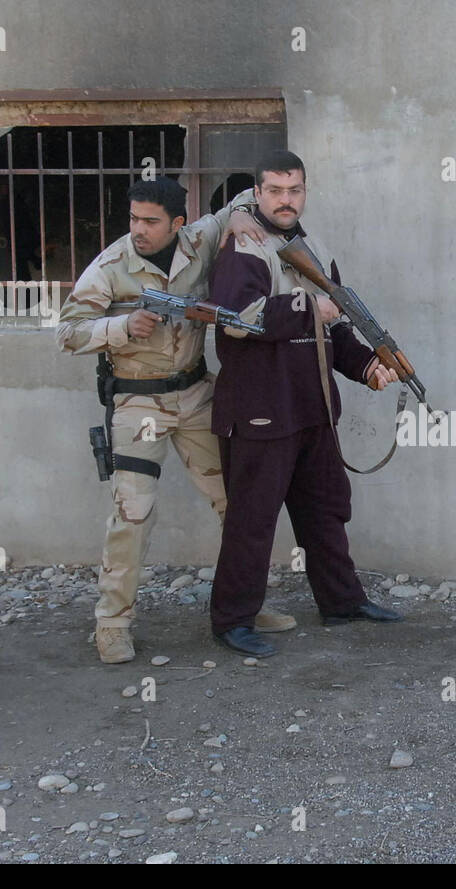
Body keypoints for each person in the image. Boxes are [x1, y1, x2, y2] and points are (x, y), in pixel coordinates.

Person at [56, 177, 296, 664]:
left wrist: (245, 215)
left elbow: (242, 201)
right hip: (139, 403)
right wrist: (121, 327)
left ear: (178, 224)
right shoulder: (111, 265)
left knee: (237, 501)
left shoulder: (200, 241)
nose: (138, 230)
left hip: (194, 392)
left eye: (150, 222)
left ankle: (242, 608)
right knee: (133, 513)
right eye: (133, 220)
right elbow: (67, 332)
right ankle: (112, 623)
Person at [205, 150, 402, 658]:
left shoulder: (315, 249)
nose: (285, 199)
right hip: (260, 411)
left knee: (325, 513)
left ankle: (342, 602)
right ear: (258, 192)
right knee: (253, 522)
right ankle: (232, 621)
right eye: (274, 190)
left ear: (305, 192)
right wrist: (306, 305)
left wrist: (367, 368)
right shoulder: (242, 242)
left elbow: (334, 330)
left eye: (294, 190)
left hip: (312, 409)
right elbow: (235, 319)